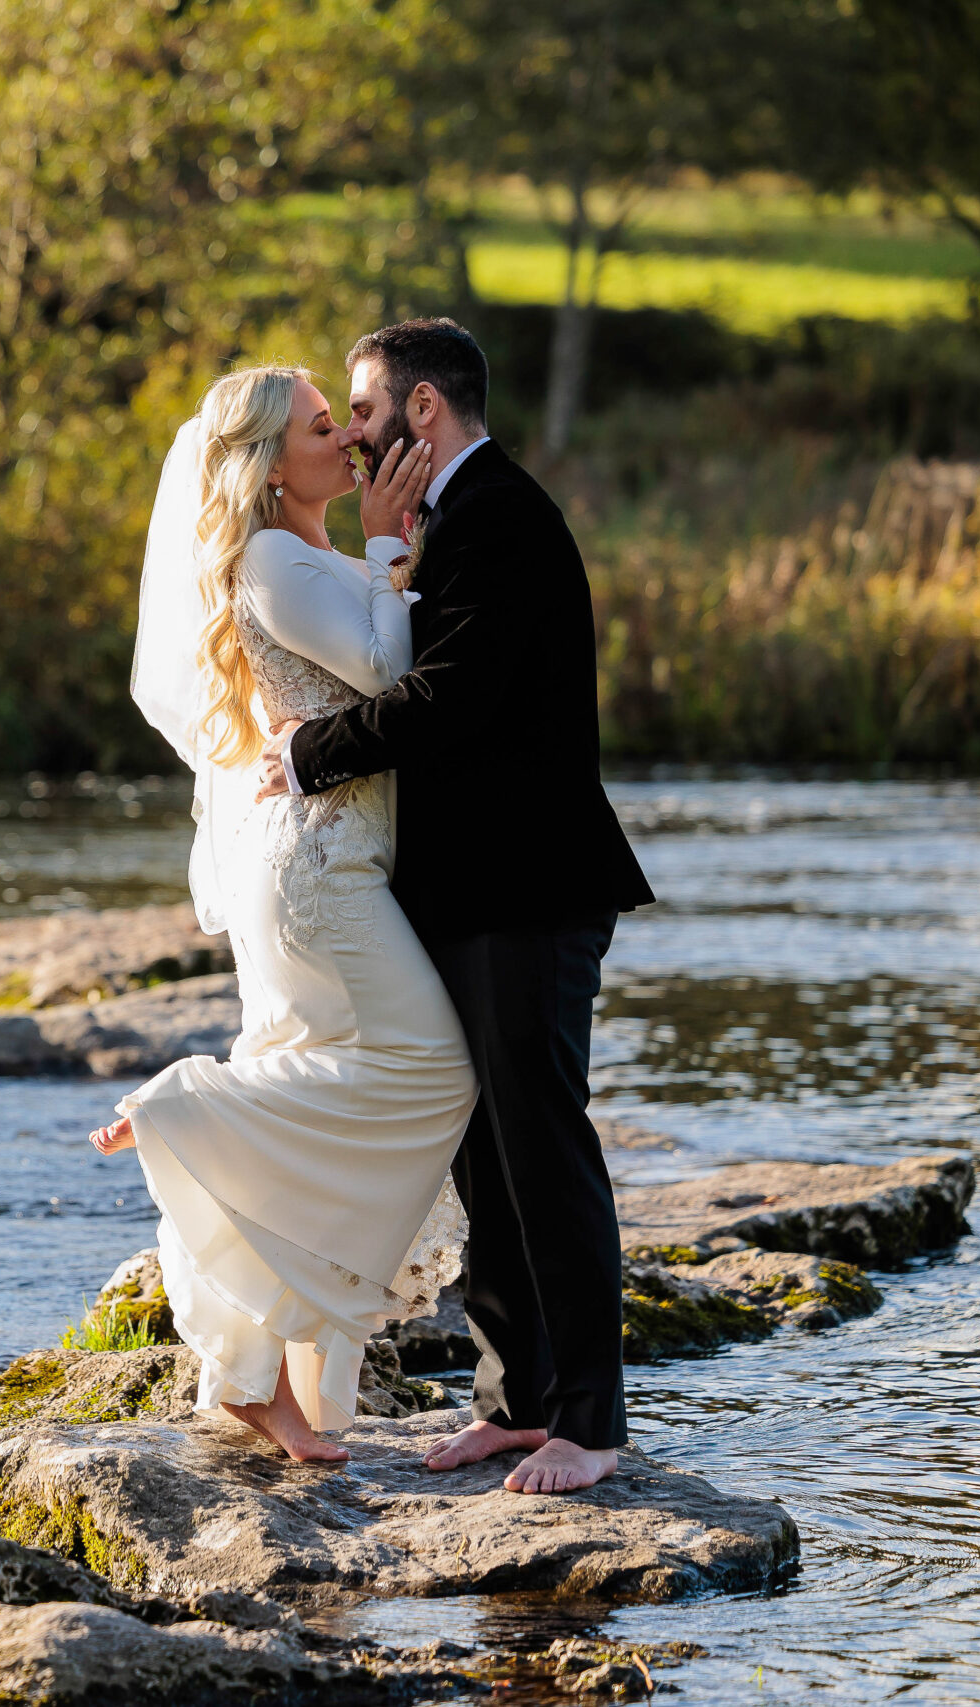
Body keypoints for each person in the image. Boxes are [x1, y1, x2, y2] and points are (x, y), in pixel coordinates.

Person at [260, 319, 655, 1494]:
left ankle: (590, 1423)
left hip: (530, 890)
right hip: (471, 891)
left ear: (422, 408)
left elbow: (449, 697)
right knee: (483, 1155)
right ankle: (515, 1402)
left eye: (364, 409)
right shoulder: (454, 518)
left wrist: (308, 754)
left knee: (541, 1145)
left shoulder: (500, 518)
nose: (354, 432)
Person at [85, 360, 476, 1465]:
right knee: (434, 1068)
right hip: (318, 871)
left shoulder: (312, 556)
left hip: (337, 859)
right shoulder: (270, 558)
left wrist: (387, 550)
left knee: (318, 1074)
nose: (347, 439)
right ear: (267, 465)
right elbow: (388, 674)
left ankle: (254, 1380)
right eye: (320, 426)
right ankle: (183, 1108)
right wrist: (392, 541)